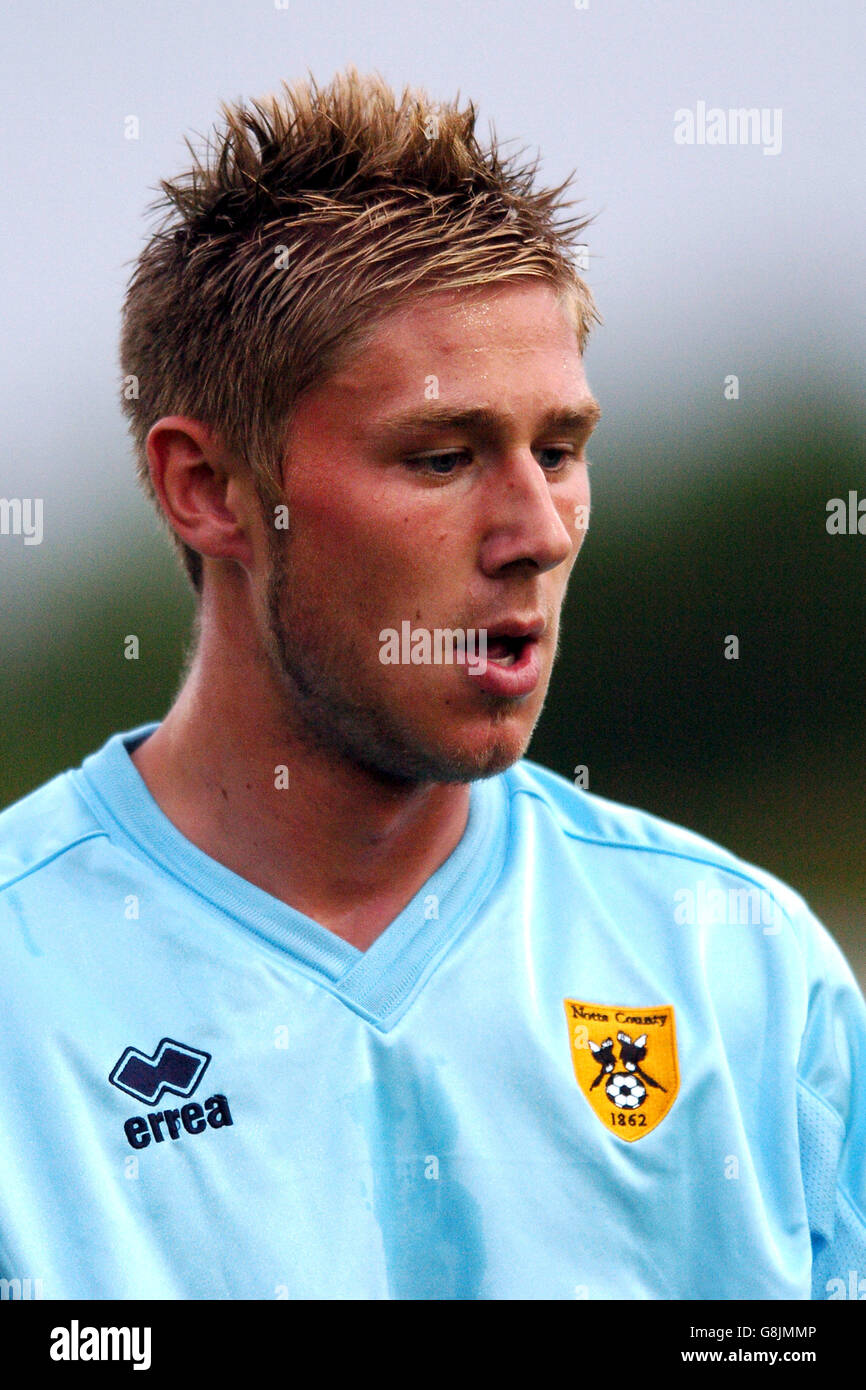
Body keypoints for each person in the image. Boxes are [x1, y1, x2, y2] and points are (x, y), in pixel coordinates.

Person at [1, 67, 863, 1302]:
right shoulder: (21, 993)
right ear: (209, 488)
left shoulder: (745, 976)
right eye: (443, 455)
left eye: (559, 452)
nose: (536, 529)